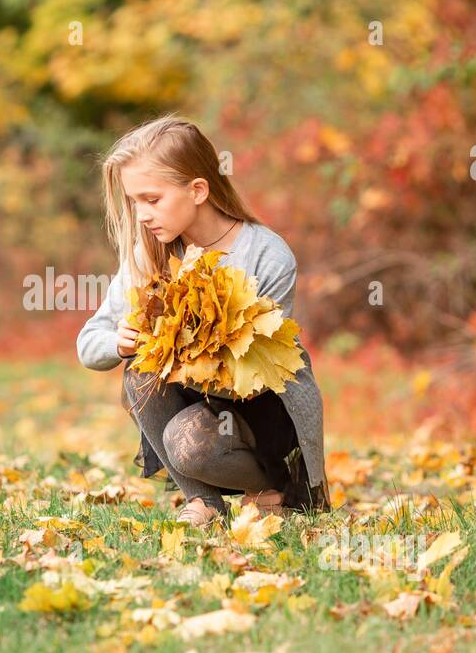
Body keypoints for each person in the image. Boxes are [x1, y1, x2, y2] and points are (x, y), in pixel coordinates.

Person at [76, 114, 328, 527]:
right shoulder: (150, 255)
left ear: (197, 190)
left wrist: (174, 351)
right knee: (138, 373)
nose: (140, 215)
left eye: (151, 200)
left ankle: (282, 486)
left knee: (187, 440)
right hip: (201, 412)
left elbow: (253, 375)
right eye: (133, 202)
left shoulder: (266, 254)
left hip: (263, 412)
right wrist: (119, 342)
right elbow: (89, 343)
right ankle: (205, 502)